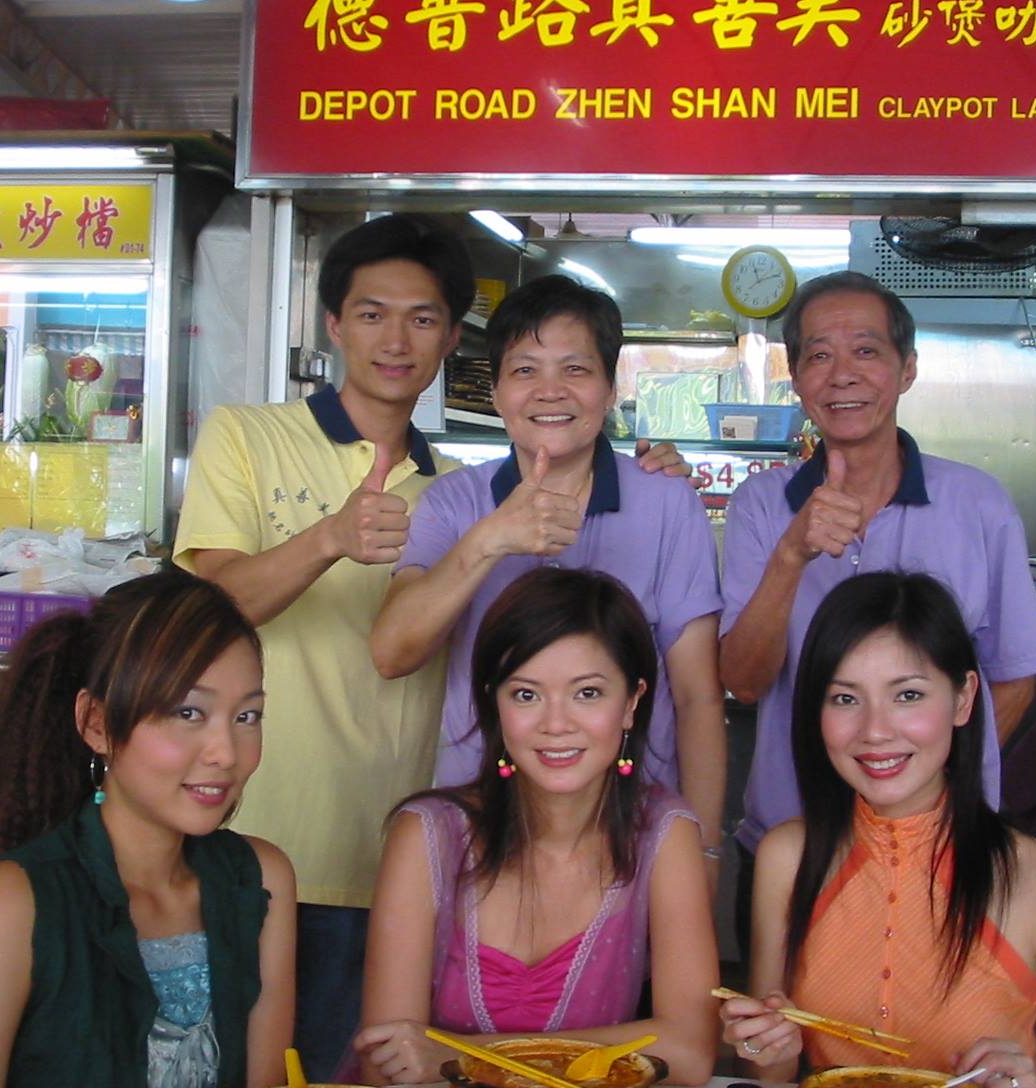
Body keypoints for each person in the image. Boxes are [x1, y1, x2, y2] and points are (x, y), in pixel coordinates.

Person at [176, 221, 692, 1079]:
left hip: (405, 856)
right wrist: (332, 536)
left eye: (423, 319)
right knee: (230, 1064)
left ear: (454, 342)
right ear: (332, 323)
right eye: (372, 313)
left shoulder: (457, 485)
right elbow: (212, 605)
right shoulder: (248, 435)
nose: (395, 339)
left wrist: (650, 479)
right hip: (252, 829)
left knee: (372, 1065)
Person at [719, 270, 1036, 942]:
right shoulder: (761, 505)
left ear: (906, 371)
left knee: (931, 1040)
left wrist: (925, 778)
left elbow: (1015, 678)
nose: (842, 374)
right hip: (794, 841)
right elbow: (743, 681)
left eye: (866, 351)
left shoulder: (978, 504)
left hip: (940, 850)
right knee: (785, 1033)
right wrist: (792, 554)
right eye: (818, 355)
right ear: (797, 379)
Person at [719, 572, 1036, 1088]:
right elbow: (771, 1069)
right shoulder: (788, 857)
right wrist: (765, 1046)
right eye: (845, 699)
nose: (875, 731)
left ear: (963, 699)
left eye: (909, 695)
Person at [371, 275, 726, 862]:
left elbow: (698, 697)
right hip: (484, 819)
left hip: (631, 825)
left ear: (610, 388)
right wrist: (491, 539)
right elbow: (392, 652)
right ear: (498, 391)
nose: (550, 392)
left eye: (576, 370)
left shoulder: (666, 501)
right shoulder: (454, 502)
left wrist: (705, 851)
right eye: (525, 370)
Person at [0, 571, 296, 1088]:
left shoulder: (261, 878)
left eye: (248, 716)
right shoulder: (9, 903)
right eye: (188, 712)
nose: (226, 753)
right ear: (96, 723)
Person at [355, 568, 718, 1086]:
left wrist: (458, 1055)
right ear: (493, 702)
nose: (555, 724)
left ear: (633, 702)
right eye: (525, 695)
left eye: (587, 693)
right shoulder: (429, 836)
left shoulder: (664, 833)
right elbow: (385, 1063)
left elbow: (689, 1051)